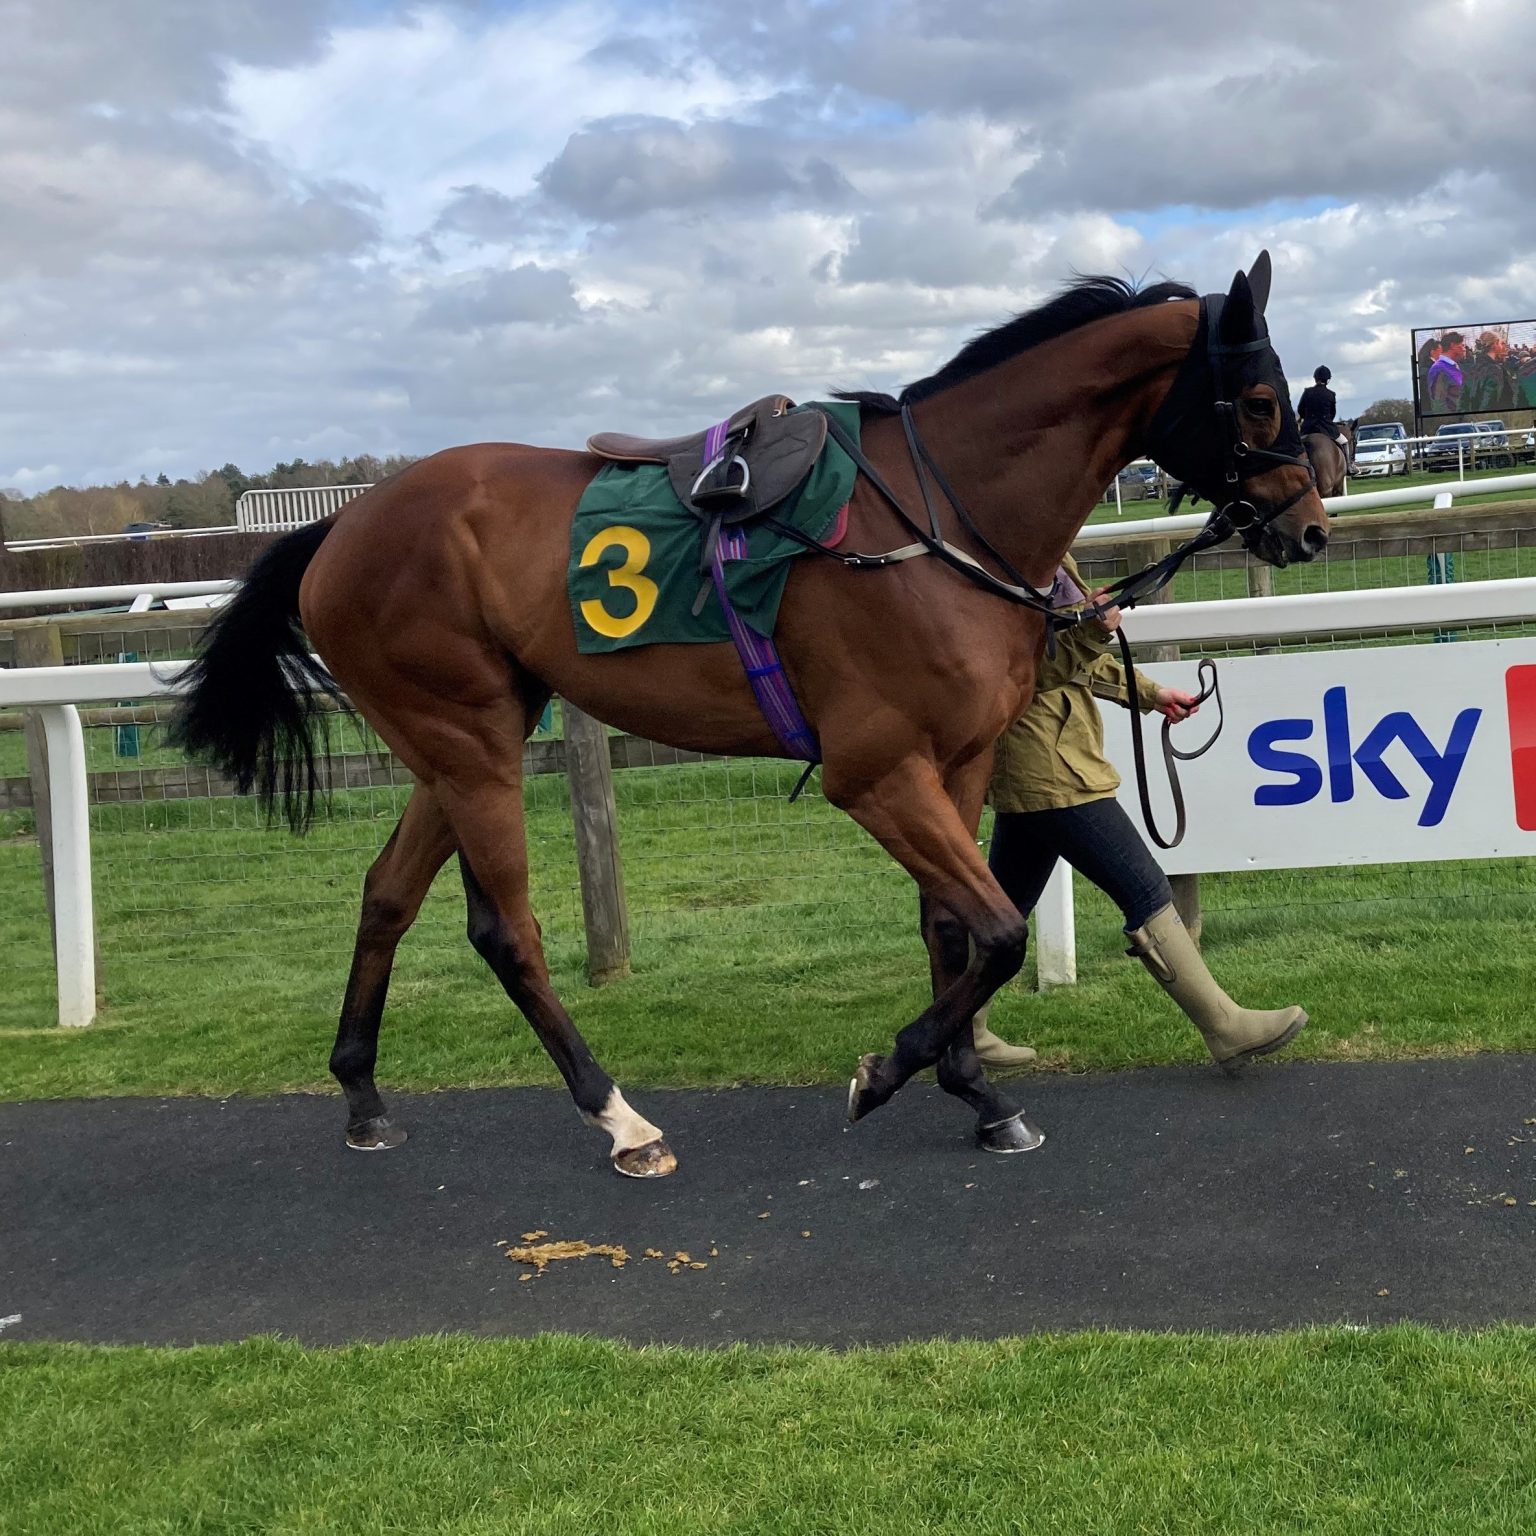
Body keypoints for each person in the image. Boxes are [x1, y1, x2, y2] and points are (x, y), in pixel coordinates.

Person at [971, 555, 1307, 1072]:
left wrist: (1150, 694)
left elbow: (1072, 661)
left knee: (1005, 911)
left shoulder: (1050, 557)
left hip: (1048, 763)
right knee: (1145, 890)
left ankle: (958, 1030)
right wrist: (1092, 631)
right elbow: (1026, 668)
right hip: (1050, 769)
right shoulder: (1004, 563)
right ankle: (1225, 1027)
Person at [1426, 333, 1466, 416]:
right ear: (1453, 345)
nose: (1464, 349)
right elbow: (1438, 404)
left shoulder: (1454, 366)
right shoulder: (1439, 369)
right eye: (1462, 345)